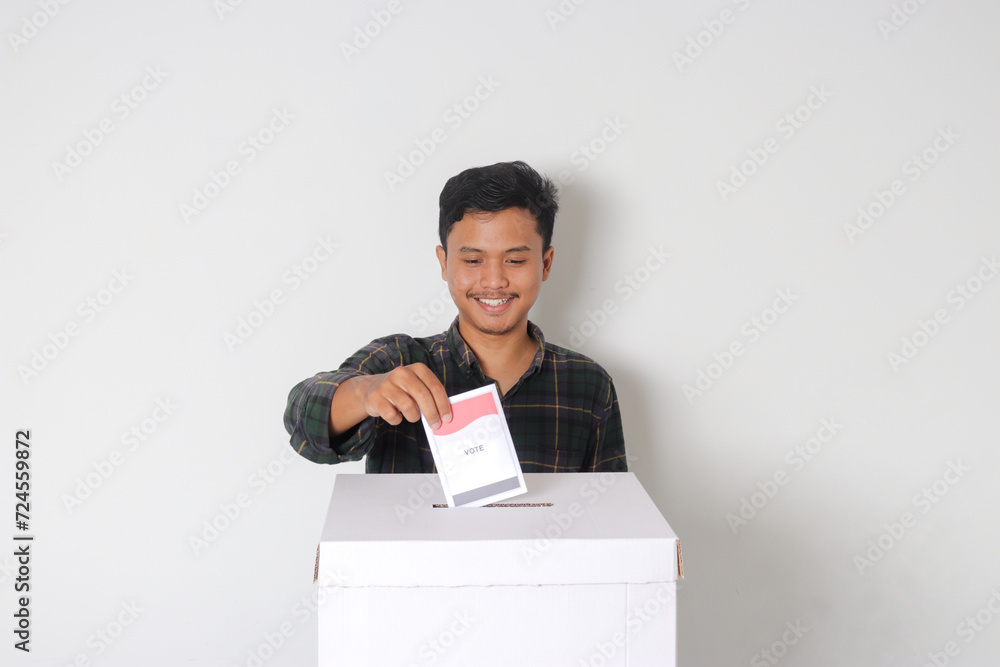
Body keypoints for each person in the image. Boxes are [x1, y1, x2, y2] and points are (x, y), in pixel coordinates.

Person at [283, 161, 627, 473]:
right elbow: (305, 424)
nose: (494, 281)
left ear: (546, 263)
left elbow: (612, 510)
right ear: (444, 263)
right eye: (473, 261)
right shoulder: (398, 362)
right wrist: (364, 392)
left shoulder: (588, 385)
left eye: (515, 260)